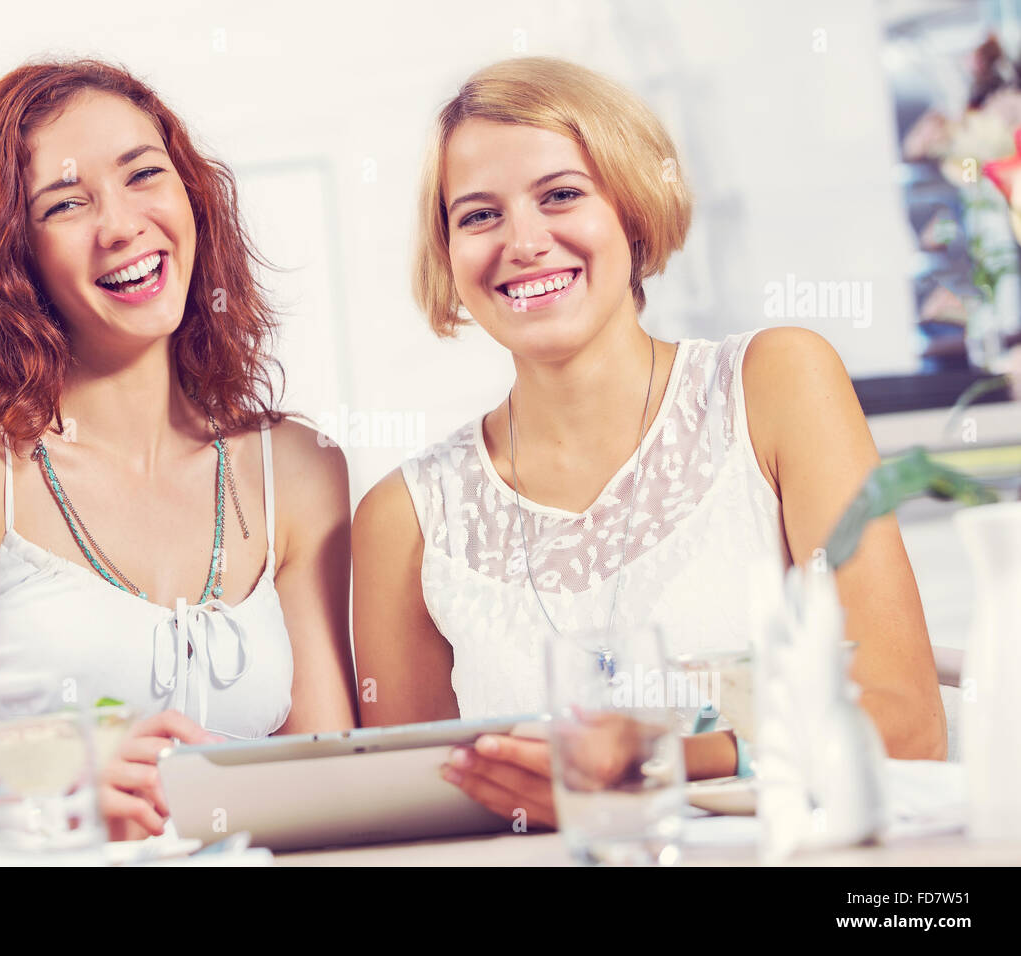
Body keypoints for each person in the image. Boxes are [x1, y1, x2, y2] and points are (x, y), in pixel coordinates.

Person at [352, 56, 947, 830]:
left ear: (632, 209)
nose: (523, 241)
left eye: (561, 194)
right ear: (449, 256)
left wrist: (653, 760)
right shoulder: (403, 516)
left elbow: (907, 725)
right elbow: (411, 817)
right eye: (478, 215)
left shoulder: (776, 385)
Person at [0, 58, 356, 865]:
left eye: (144, 175)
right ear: (13, 257)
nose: (121, 225)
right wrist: (41, 822)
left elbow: (329, 797)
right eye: (66, 203)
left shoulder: (294, 468)